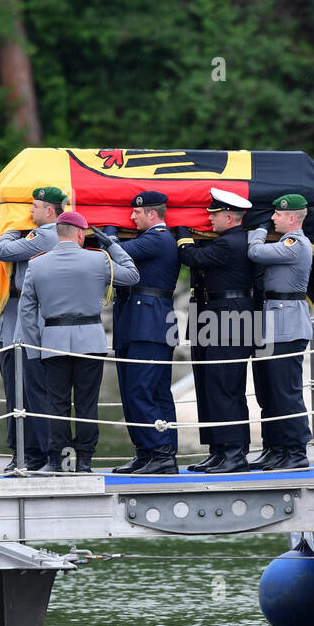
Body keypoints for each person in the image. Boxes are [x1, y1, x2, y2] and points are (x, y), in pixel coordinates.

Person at [19, 210, 139, 472]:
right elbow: (132, 275)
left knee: (56, 404)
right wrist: (112, 245)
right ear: (79, 234)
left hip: (52, 342)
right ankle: (84, 461)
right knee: (87, 403)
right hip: (90, 341)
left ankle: (58, 462)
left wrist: (35, 347)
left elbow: (27, 312)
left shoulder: (37, 264)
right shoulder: (98, 260)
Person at [0, 185, 68, 473]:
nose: (29, 211)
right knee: (14, 393)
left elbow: (2, 251)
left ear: (49, 210)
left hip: (32, 322)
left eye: (33, 206)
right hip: (8, 321)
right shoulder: (27, 234)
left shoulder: (48, 235)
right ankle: (21, 451)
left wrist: (8, 228)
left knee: (34, 392)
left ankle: (41, 454)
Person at [176, 187, 258, 474]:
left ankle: (234, 454)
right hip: (215, 318)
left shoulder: (231, 243)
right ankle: (220, 450)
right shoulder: (225, 241)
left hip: (229, 321)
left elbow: (192, 258)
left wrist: (183, 232)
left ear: (229, 216)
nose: (209, 220)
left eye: (214, 215)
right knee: (211, 387)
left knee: (225, 388)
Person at [109, 190, 180, 475]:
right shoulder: (150, 238)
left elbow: (120, 252)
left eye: (136, 212)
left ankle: (161, 453)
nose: (131, 216)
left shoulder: (158, 238)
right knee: (135, 390)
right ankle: (147, 451)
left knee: (144, 389)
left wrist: (110, 234)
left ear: (152, 213)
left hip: (150, 323)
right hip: (136, 321)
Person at [247, 193, 314, 470]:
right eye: (272, 214)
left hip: (287, 326)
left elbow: (255, 252)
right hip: (272, 324)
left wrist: (258, 229)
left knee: (286, 392)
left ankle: (296, 451)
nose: (273, 218)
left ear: (292, 217)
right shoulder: (286, 241)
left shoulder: (295, 243)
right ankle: (275, 448)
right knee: (268, 392)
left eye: (277, 214)